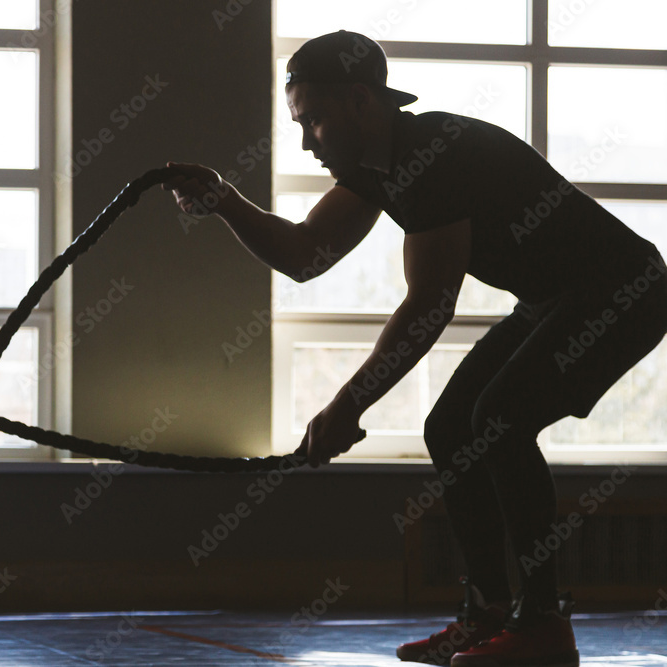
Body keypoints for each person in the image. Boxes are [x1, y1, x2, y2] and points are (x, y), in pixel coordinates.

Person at [163, 30, 667, 667]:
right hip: (555, 299)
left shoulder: (434, 154)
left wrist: (347, 405)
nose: (304, 140)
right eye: (299, 121)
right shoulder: (379, 165)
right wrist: (224, 200)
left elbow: (430, 303)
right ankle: (487, 615)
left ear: (360, 103)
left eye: (313, 120)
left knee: (500, 419)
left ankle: (542, 626)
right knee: (453, 426)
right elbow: (303, 256)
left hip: (623, 294)